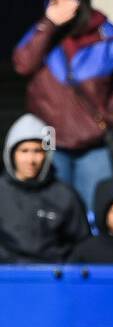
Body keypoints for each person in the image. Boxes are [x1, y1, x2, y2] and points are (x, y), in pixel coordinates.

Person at [12, 0, 113, 212]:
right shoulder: (43, 33)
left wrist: (111, 117)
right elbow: (22, 64)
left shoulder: (107, 34)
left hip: (94, 143)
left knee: (96, 210)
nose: (60, 4)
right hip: (50, 140)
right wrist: (49, 24)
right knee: (53, 212)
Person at [0, 113, 90, 264]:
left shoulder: (65, 195)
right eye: (24, 151)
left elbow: (83, 245)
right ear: (11, 154)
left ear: (47, 155)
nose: (31, 160)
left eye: (37, 151)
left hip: (54, 278)